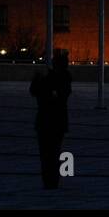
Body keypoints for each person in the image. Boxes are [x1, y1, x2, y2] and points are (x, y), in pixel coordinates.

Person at [31, 54, 73, 190]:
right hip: (50, 121)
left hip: (52, 121)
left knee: (51, 153)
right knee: (49, 153)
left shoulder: (62, 79)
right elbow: (35, 91)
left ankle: (51, 181)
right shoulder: (53, 78)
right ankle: (49, 180)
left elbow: (57, 96)